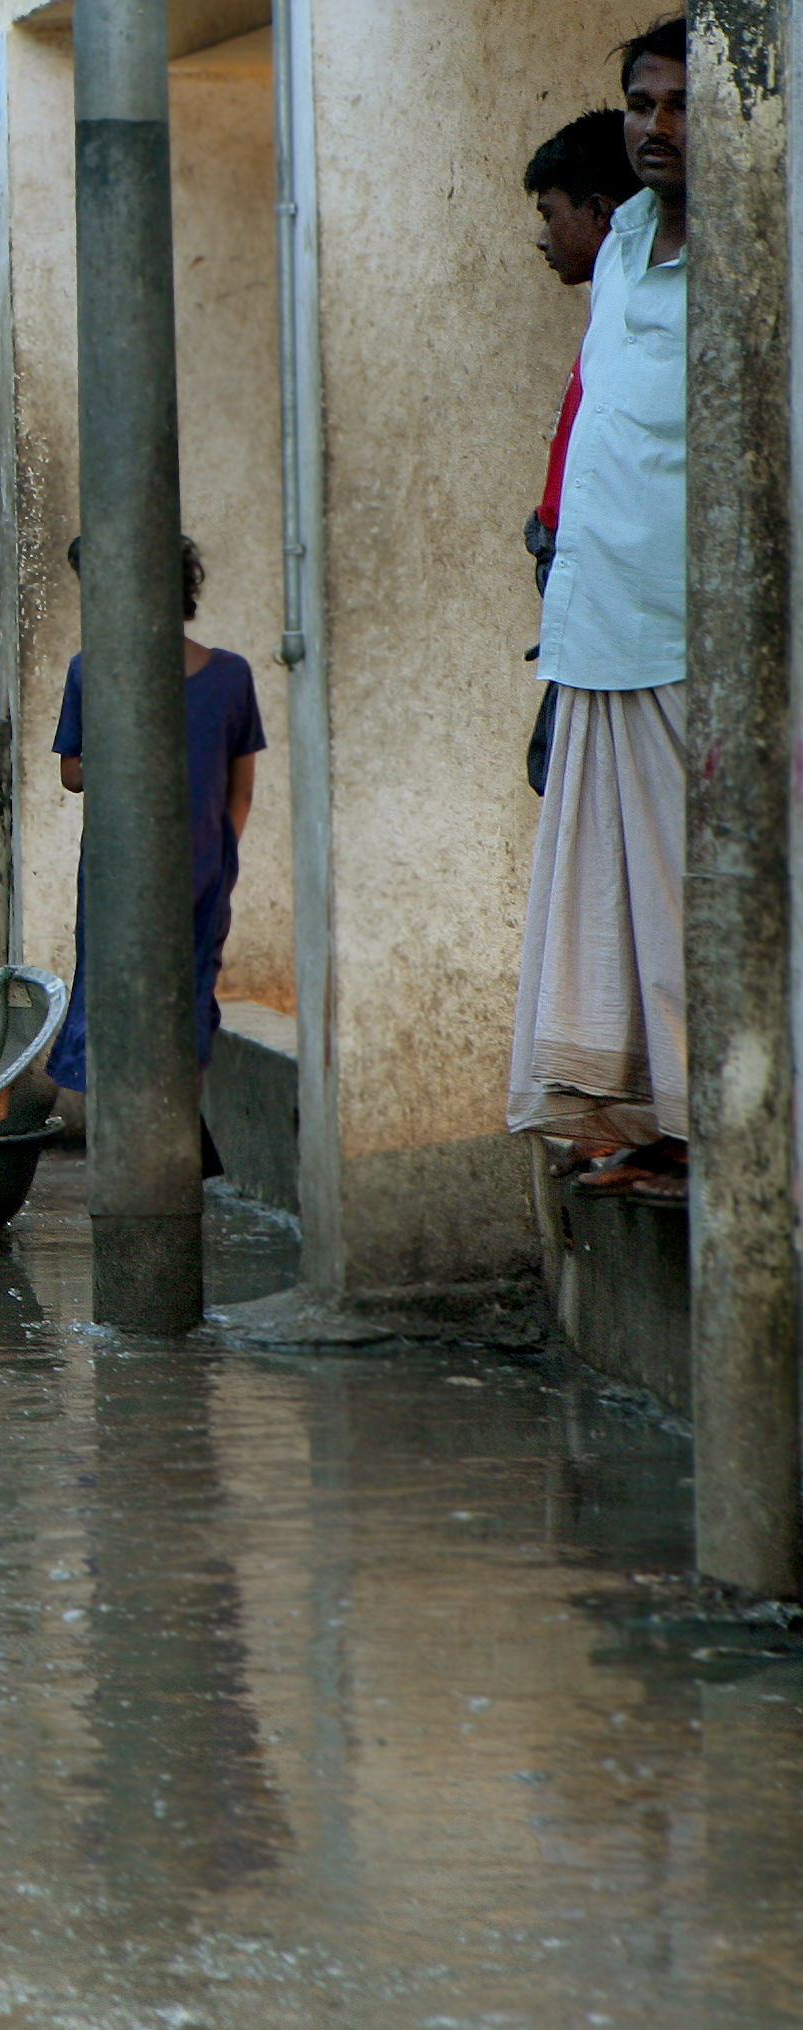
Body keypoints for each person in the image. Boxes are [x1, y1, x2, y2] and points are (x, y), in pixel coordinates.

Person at [517, 17, 693, 1190]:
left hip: (692, 634)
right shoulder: (625, 234)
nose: (654, 126)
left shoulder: (758, 249)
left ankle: (725, 1136)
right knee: (618, 910)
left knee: (696, 905)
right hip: (595, 628)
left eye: (679, 104)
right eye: (640, 103)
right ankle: (652, 1125)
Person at [45, 536, 262, 1119]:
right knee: (110, 999)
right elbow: (72, 772)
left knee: (186, 1004)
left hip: (198, 872)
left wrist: (216, 859)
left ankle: (171, 1159)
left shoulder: (229, 678)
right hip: (116, 871)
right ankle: (125, 1161)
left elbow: (240, 788)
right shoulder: (89, 672)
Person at [522, 108, 635, 794]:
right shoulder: (608, 310)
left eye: (549, 211)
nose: (542, 236)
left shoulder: (638, 316)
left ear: (599, 213)